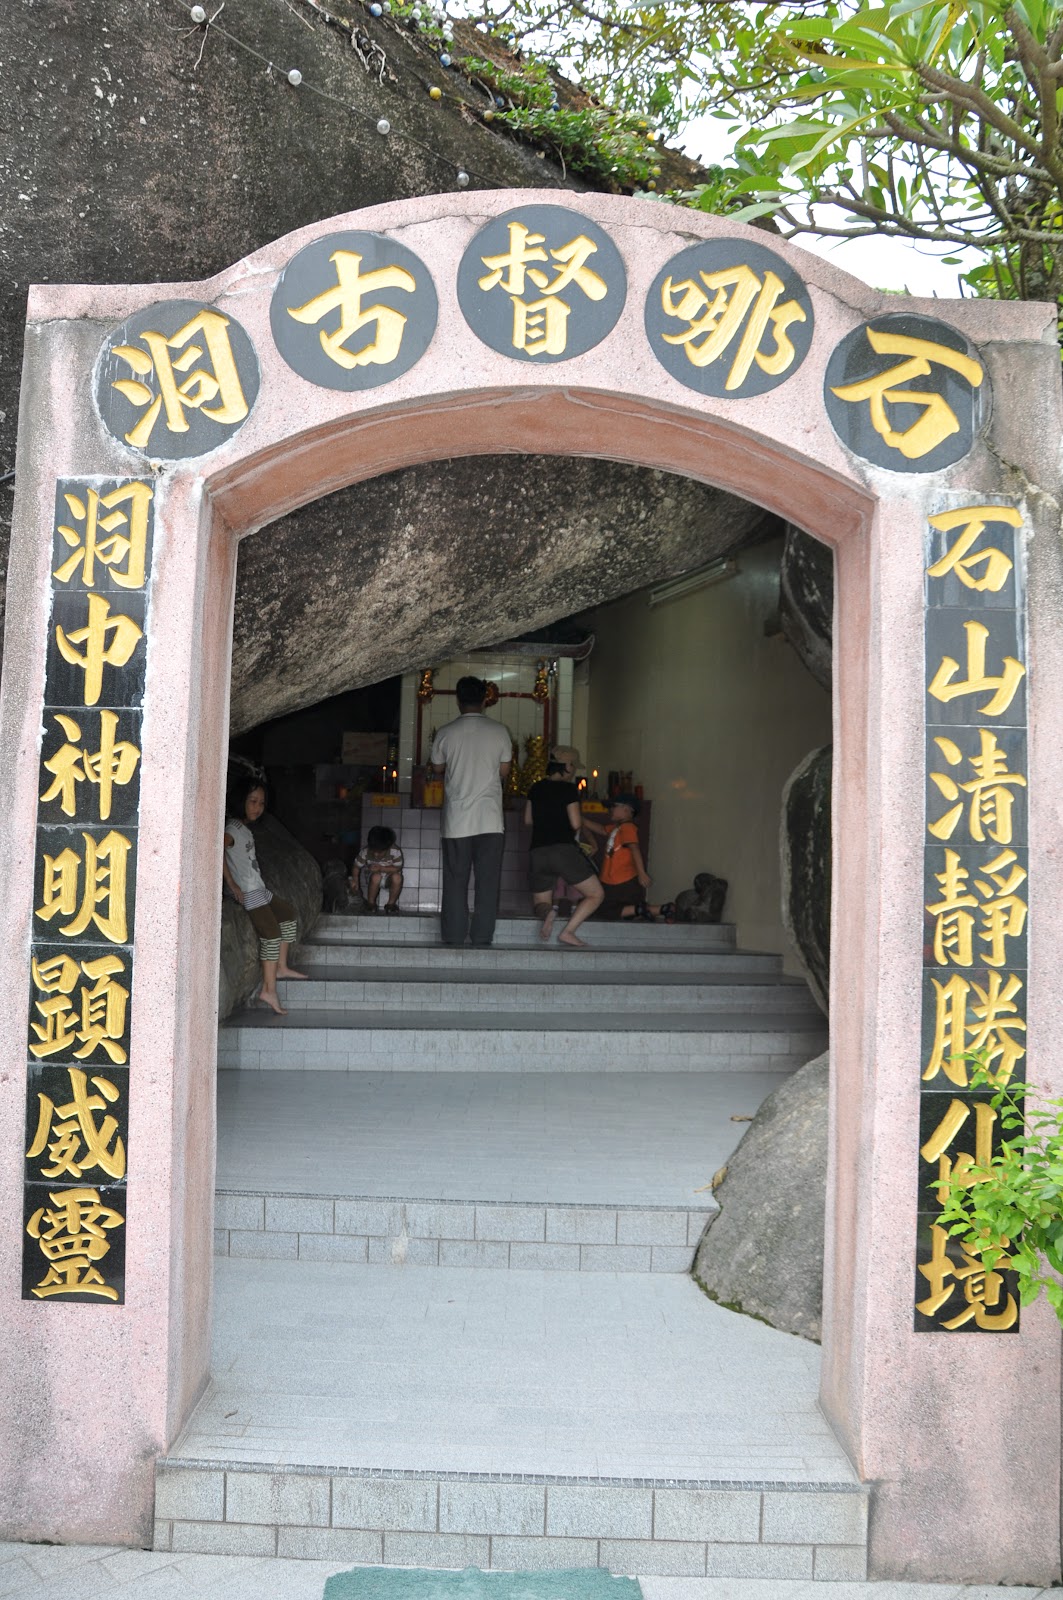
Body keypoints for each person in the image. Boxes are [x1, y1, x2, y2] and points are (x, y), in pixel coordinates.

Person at [429, 675, 513, 946]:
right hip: (490, 820)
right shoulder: (500, 731)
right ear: (484, 699)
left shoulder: (445, 732)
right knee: (487, 882)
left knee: (455, 880)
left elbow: (437, 768)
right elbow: (504, 771)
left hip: (457, 821)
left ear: (458, 700)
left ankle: (453, 936)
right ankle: (482, 936)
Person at [222, 775, 307, 1014]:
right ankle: (269, 989)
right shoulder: (231, 829)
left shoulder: (243, 829)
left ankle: (280, 966)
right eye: (252, 802)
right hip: (248, 891)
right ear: (241, 801)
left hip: (257, 887)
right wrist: (232, 884)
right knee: (270, 934)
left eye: (261, 803)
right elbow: (217, 848)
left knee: (288, 915)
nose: (257, 808)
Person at [524, 746, 604, 947]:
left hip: (538, 851)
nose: (574, 771)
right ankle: (568, 932)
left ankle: (549, 913)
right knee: (596, 894)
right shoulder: (568, 790)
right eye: (574, 767)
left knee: (541, 903)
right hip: (562, 850)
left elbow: (528, 820)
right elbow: (576, 823)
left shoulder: (536, 788)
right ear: (567, 766)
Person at [582, 793, 655, 920]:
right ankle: (644, 909)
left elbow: (634, 848)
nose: (610, 810)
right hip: (611, 880)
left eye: (613, 807)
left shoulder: (628, 827)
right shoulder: (617, 828)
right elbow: (601, 829)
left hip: (623, 880)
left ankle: (640, 910)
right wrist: (582, 819)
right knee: (603, 908)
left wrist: (641, 873)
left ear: (627, 809)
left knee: (602, 910)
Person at [353, 824, 404, 913]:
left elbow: (397, 868)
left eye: (380, 852)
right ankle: (371, 903)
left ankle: (391, 904)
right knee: (376, 876)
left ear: (388, 847)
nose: (376, 855)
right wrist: (355, 882)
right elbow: (356, 867)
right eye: (373, 851)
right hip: (373, 877)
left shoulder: (395, 851)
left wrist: (381, 869)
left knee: (397, 877)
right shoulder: (365, 852)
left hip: (389, 877)